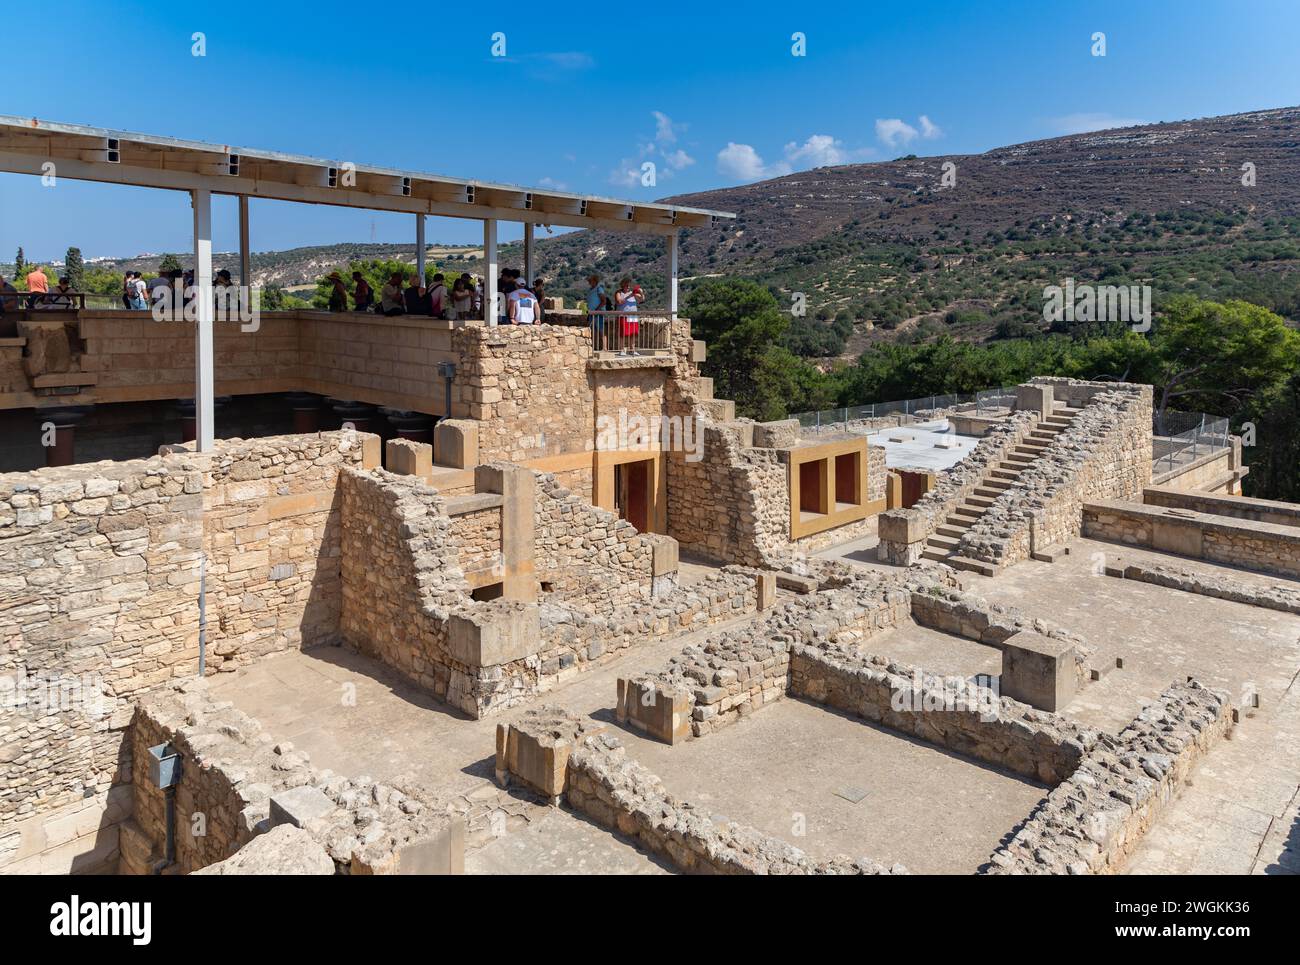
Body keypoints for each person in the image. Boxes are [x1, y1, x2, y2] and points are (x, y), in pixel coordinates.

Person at [615, 276, 639, 353]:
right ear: (623, 285)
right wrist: (628, 296)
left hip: (633, 315)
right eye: (627, 285)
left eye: (629, 285)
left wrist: (640, 292)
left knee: (633, 333)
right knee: (622, 333)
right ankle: (621, 349)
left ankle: (632, 349)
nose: (628, 287)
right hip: (623, 316)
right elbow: (619, 301)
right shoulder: (619, 293)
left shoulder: (633, 293)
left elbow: (642, 299)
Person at [585, 273, 607, 350]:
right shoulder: (590, 290)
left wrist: (597, 310)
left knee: (601, 330)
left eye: (590, 281)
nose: (589, 282)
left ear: (595, 281)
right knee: (593, 331)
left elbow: (604, 301)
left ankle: (604, 348)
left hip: (598, 313)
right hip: (592, 313)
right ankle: (594, 347)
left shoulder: (599, 289)